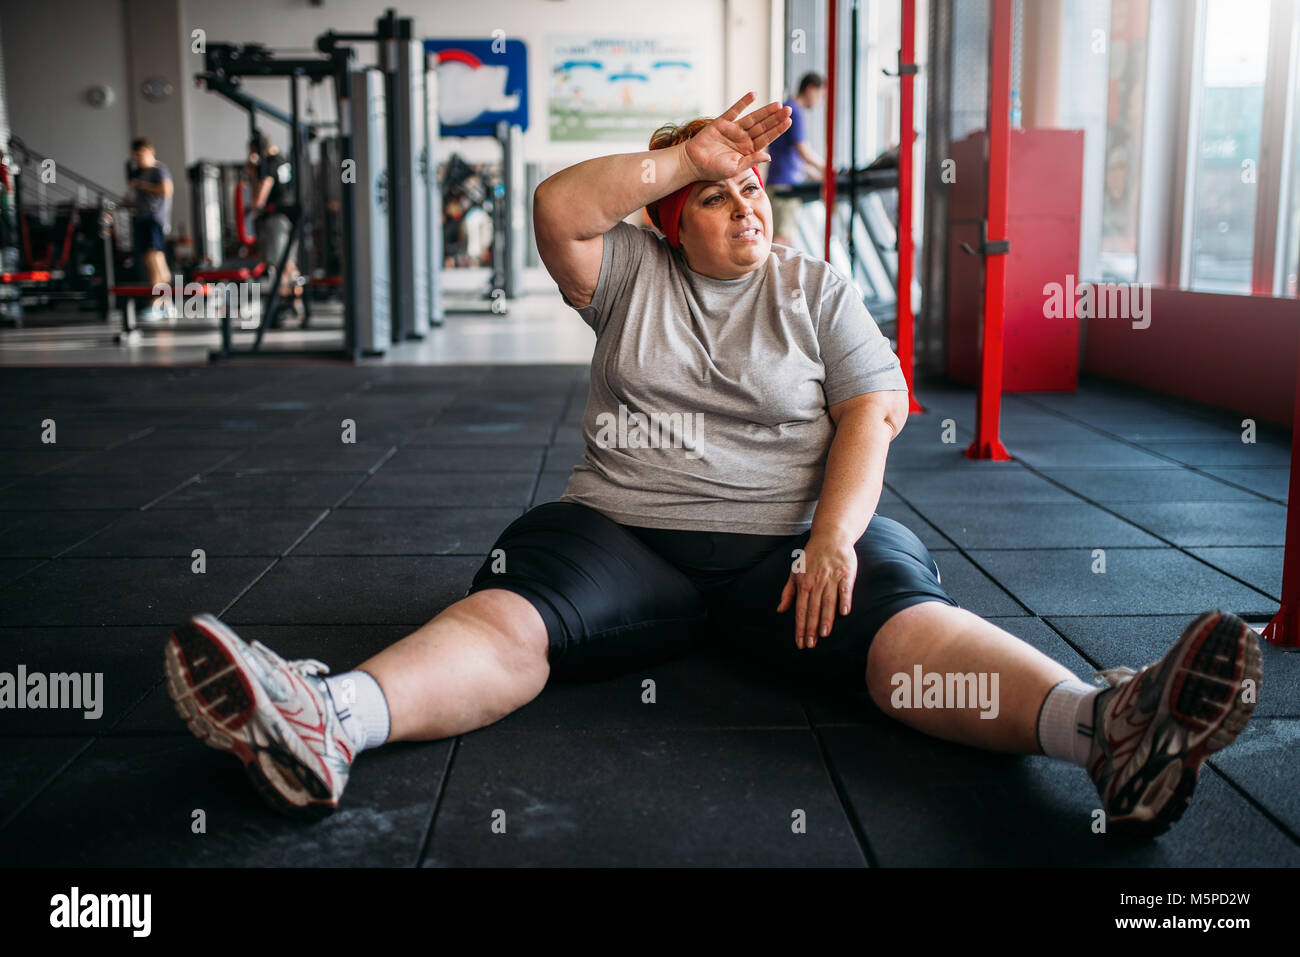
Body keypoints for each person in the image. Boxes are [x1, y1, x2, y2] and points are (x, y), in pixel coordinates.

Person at [164, 93, 1261, 838]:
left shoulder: (814, 285)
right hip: (623, 537)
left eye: (751, 190)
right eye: (714, 193)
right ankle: (332, 719)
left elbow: (872, 415)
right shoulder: (627, 273)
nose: (746, 207)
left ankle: (1104, 731)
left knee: (900, 634)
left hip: (797, 541)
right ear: (667, 218)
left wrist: (833, 538)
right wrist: (691, 152)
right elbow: (555, 207)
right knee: (514, 617)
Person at [766, 73, 828, 247]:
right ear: (810, 89)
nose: (819, 101)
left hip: (781, 183)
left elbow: (794, 157)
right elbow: (804, 153)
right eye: (820, 95)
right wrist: (829, 168)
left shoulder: (788, 107)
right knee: (781, 241)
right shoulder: (794, 111)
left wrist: (817, 175)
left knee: (782, 238)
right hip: (785, 187)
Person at [247, 132, 301, 321]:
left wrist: (253, 207)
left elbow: (263, 190)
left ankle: (283, 305)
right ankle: (295, 303)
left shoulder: (268, 163)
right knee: (289, 263)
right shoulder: (282, 160)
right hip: (290, 216)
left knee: (279, 263)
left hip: (276, 216)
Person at [126, 138, 173, 318]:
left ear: (149, 152)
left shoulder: (158, 170)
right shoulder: (139, 173)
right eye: (135, 156)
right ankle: (166, 302)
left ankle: (158, 303)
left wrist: (142, 185)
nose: (138, 159)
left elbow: (166, 190)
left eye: (140, 154)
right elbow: (132, 197)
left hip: (154, 219)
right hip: (141, 218)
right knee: (153, 260)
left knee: (155, 260)